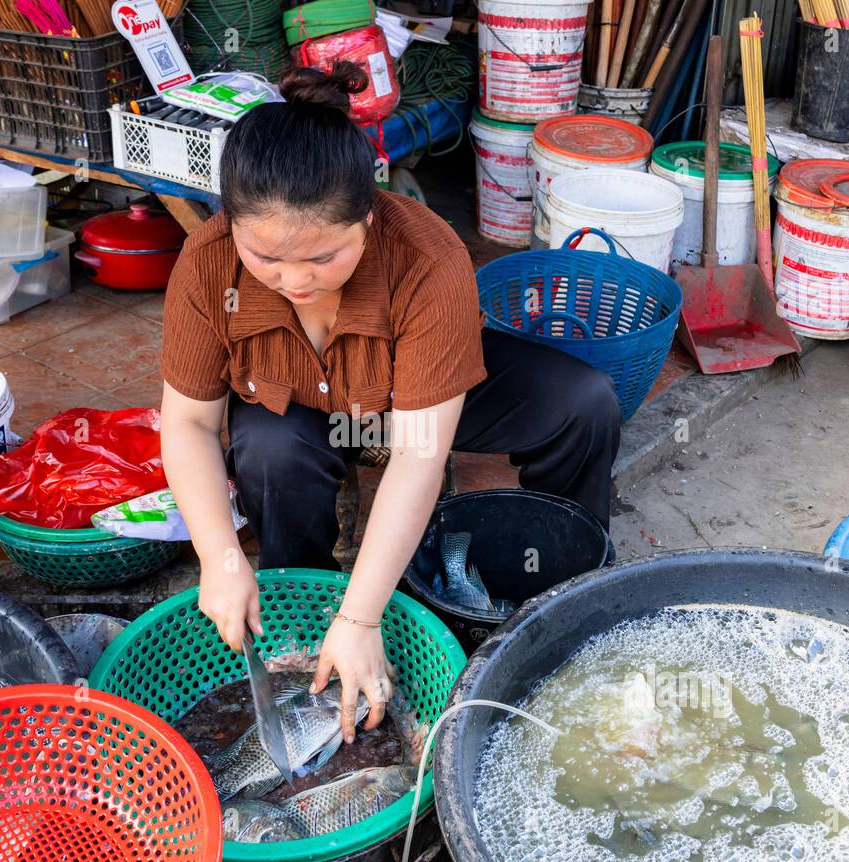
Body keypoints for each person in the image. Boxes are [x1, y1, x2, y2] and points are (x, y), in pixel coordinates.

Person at [159, 62, 621, 746]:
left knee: (584, 402)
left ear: (367, 216)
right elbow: (190, 423)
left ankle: (563, 589)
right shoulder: (206, 260)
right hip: (296, 409)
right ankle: (302, 615)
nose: (293, 281)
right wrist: (220, 559)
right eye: (266, 258)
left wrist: (365, 617)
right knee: (269, 450)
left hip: (413, 396)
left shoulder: (426, 258)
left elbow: (418, 454)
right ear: (232, 225)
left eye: (322, 258)